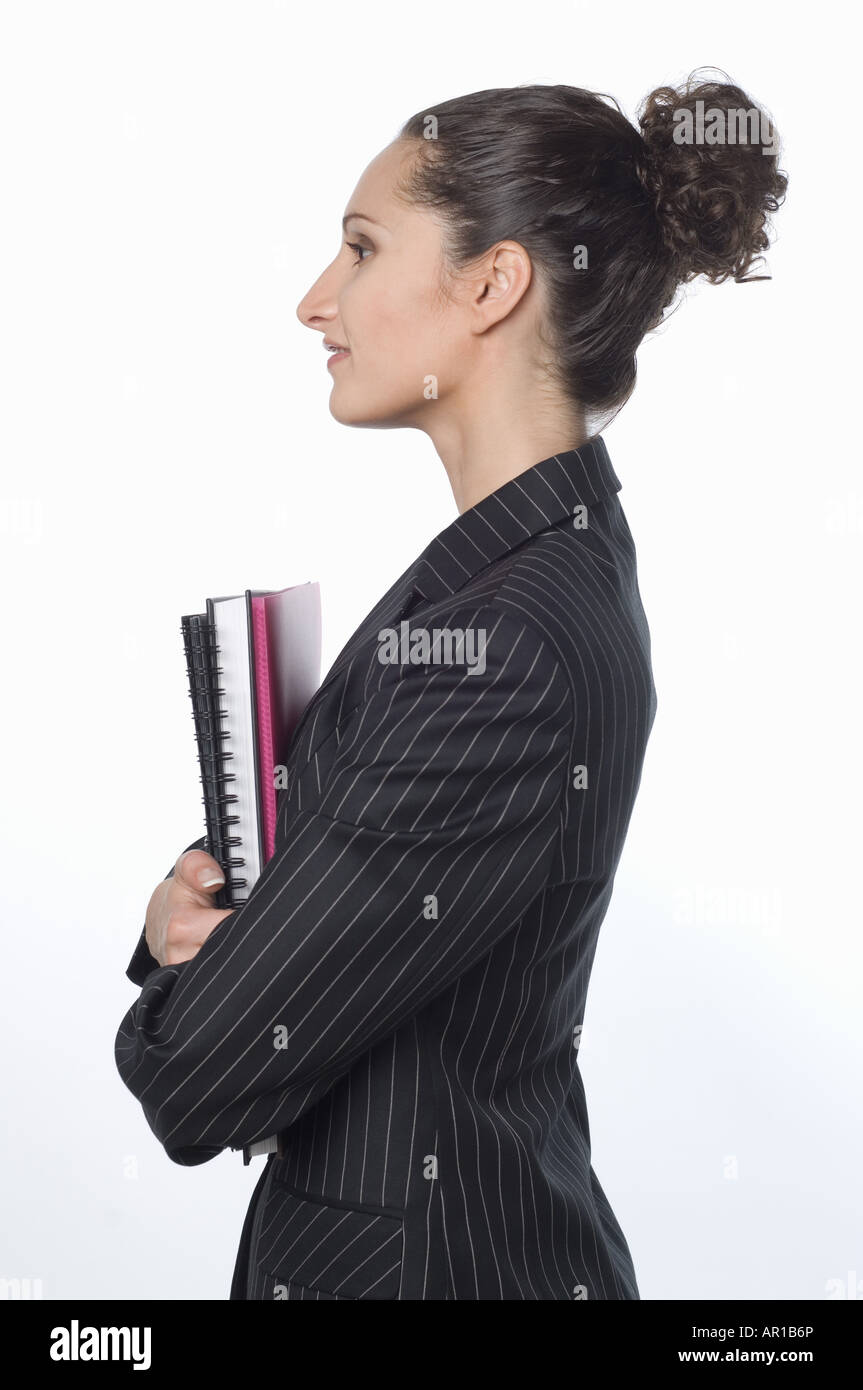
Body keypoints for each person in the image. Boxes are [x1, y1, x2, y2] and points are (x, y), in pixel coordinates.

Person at [115, 71, 787, 1300]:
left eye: (361, 248)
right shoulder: (522, 572)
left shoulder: (506, 642)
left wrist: (175, 972)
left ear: (493, 283)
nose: (315, 299)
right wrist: (217, 916)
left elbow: (197, 1080)